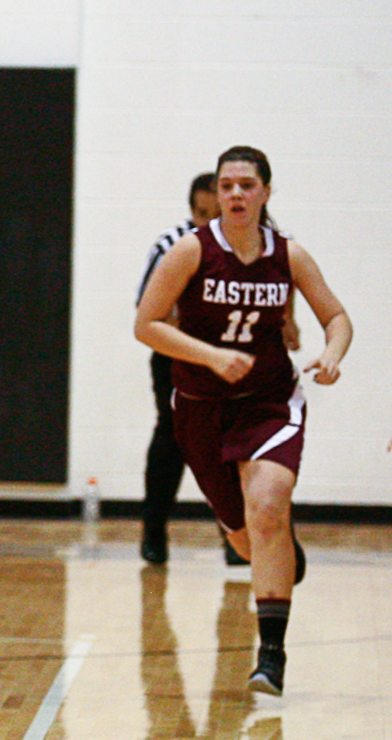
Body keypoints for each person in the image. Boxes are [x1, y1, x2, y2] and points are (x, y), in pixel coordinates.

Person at [135, 144, 353, 696]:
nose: (236, 193)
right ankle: (280, 549)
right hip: (202, 405)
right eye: (227, 184)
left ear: (266, 193)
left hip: (269, 401)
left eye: (246, 185)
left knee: (267, 504)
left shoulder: (290, 255)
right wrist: (209, 357)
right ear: (217, 192)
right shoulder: (190, 251)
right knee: (246, 539)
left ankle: (271, 656)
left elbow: (338, 316)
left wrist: (331, 354)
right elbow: (146, 324)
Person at [136, 173, 219, 564]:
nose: (207, 222)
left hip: (228, 362)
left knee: (230, 443)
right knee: (171, 437)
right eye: (200, 213)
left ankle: (235, 539)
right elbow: (148, 313)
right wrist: (196, 342)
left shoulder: (252, 245)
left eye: (214, 214)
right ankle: (153, 531)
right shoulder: (172, 245)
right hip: (175, 358)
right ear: (191, 210)